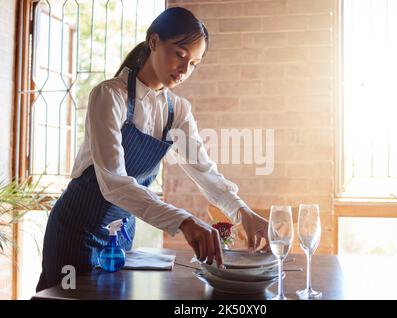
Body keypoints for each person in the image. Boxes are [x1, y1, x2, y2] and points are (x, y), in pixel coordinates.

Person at [36, 6, 269, 292]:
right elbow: (114, 185)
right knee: (66, 298)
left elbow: (206, 175)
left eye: (194, 63)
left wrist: (242, 213)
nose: (185, 70)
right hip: (74, 230)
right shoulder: (109, 96)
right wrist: (183, 220)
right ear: (154, 42)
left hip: (120, 237)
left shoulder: (178, 111)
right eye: (180, 55)